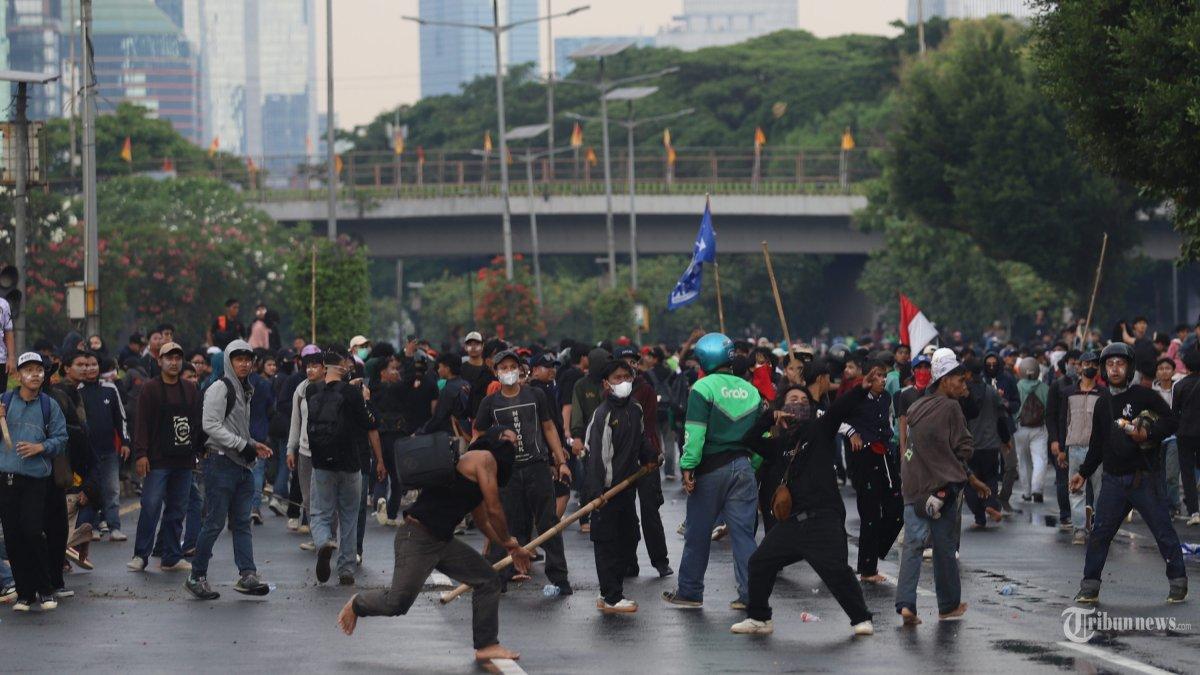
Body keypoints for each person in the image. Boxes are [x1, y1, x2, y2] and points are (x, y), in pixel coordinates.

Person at [338, 426, 530, 663]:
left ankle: (487, 646)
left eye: (514, 441)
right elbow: (495, 509)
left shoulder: (476, 468)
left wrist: (509, 547)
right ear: (492, 439)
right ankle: (358, 603)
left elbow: (482, 521)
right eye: (505, 438)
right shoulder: (484, 458)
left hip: (442, 541)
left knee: (488, 580)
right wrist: (511, 540)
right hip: (417, 537)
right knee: (396, 603)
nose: (510, 445)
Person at [731, 369, 882, 636]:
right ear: (782, 408)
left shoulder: (819, 430)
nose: (798, 403)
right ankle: (759, 618)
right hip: (790, 524)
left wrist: (862, 388)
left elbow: (838, 410)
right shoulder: (779, 445)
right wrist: (769, 418)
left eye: (803, 400)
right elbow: (749, 440)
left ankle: (861, 618)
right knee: (759, 563)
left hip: (823, 519)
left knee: (836, 571)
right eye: (792, 399)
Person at [1071, 342, 1187, 604]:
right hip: (1112, 482)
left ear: (1130, 368)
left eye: (1120, 364)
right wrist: (1083, 472)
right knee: (1099, 535)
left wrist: (1148, 433)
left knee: (1163, 531)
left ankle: (1178, 582)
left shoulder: (1143, 396)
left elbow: (1171, 421)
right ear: (1103, 368)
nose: (1114, 369)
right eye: (1110, 364)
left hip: (1143, 479)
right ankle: (1089, 586)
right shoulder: (1102, 404)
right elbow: (1097, 443)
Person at [663, 333, 762, 610]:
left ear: (705, 358)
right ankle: (750, 595)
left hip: (710, 469)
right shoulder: (751, 391)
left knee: (697, 533)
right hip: (743, 468)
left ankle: (690, 592)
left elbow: (695, 434)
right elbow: (762, 435)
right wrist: (750, 465)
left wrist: (688, 467)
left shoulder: (702, 388)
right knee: (743, 535)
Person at [895, 348, 984, 625]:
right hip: (941, 489)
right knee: (944, 548)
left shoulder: (916, 406)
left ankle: (906, 604)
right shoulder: (951, 407)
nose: (963, 385)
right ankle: (947, 606)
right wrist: (962, 467)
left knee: (912, 546)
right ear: (945, 379)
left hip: (913, 486)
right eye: (959, 380)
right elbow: (964, 447)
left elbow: (916, 446)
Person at [475, 350, 573, 592]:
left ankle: (559, 577)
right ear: (496, 372)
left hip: (537, 467)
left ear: (521, 370)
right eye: (503, 367)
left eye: (512, 366)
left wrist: (561, 461)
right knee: (505, 524)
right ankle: (500, 577)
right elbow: (477, 434)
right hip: (507, 472)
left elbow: (549, 428)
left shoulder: (536, 395)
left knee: (548, 522)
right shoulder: (490, 403)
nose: (509, 371)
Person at [184, 340, 274, 601]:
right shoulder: (219, 388)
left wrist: (253, 445)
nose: (244, 363)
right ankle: (196, 576)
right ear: (228, 362)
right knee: (213, 523)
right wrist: (241, 445)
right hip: (220, 464)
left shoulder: (245, 389)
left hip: (242, 466)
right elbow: (210, 425)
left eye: (248, 359)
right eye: (239, 359)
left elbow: (236, 429)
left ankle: (248, 575)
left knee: (242, 523)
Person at [583, 359, 660, 613]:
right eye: (617, 378)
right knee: (607, 543)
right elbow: (596, 458)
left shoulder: (635, 408)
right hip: (606, 491)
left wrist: (650, 456)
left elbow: (640, 439)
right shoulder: (603, 415)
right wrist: (597, 494)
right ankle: (611, 597)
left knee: (628, 538)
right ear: (606, 383)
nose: (623, 382)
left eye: (627, 377)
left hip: (627, 487)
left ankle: (610, 590)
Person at [307, 349, 385, 585]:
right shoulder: (352, 393)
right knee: (349, 515)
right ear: (342, 365)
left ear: (323, 365)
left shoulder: (311, 390)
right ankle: (346, 569)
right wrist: (366, 399)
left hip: (321, 461)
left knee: (320, 511)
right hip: (351, 462)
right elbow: (368, 422)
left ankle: (323, 543)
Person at [0, 353, 68, 611]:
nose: (35, 374)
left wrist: (41, 447)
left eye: (39, 369)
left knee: (32, 531)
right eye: (29, 370)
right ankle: (24, 593)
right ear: (18, 375)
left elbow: (61, 439)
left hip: (35, 481)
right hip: (6, 479)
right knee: (14, 537)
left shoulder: (49, 406)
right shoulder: (4, 402)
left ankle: (46, 588)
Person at [128, 342, 200, 573]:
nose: (174, 362)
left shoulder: (190, 388)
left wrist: (200, 449)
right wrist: (141, 454)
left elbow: (197, 422)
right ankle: (141, 554)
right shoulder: (150, 389)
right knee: (150, 506)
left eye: (178, 358)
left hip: (183, 460)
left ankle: (171, 556)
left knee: (177, 510)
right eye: (169, 358)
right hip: (157, 460)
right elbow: (141, 423)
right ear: (159, 361)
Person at [841, 359, 904, 581]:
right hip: (864, 457)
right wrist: (852, 433)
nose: (882, 380)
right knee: (869, 513)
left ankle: (876, 551)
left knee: (897, 508)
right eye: (877, 375)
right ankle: (868, 569)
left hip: (885, 454)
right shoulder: (854, 396)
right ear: (867, 377)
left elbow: (887, 423)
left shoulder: (886, 397)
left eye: (884, 375)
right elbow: (835, 418)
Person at [72, 350, 131, 542]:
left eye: (93, 365)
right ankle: (93, 527)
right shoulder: (77, 390)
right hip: (88, 453)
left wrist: (125, 441)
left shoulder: (110, 388)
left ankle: (114, 526)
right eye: (85, 365)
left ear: (99, 367)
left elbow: (120, 417)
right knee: (91, 490)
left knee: (112, 490)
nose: (90, 368)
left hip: (109, 450)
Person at [286, 345, 326, 546]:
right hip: (304, 452)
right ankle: (317, 537)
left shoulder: (331, 387)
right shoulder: (300, 390)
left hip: (327, 452)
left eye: (315, 366)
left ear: (324, 368)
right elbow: (295, 422)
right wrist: (290, 449)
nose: (310, 370)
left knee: (327, 497)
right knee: (308, 498)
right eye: (307, 366)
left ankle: (329, 536)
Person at [963, 361, 1007, 529]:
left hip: (969, 445)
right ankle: (990, 503)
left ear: (968, 374)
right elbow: (1001, 417)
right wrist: (1006, 439)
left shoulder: (963, 392)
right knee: (990, 477)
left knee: (970, 481)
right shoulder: (991, 392)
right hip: (990, 444)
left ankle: (979, 517)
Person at [1013, 357, 1050, 503]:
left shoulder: (1017, 386)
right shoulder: (1044, 388)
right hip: (1039, 428)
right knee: (1040, 459)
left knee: (1023, 461)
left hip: (1020, 428)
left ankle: (1027, 492)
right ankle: (1037, 489)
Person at [1173, 349, 1200, 526]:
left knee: (1187, 473)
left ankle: (1194, 512)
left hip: (1185, 434)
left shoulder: (1180, 386)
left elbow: (1175, 413)